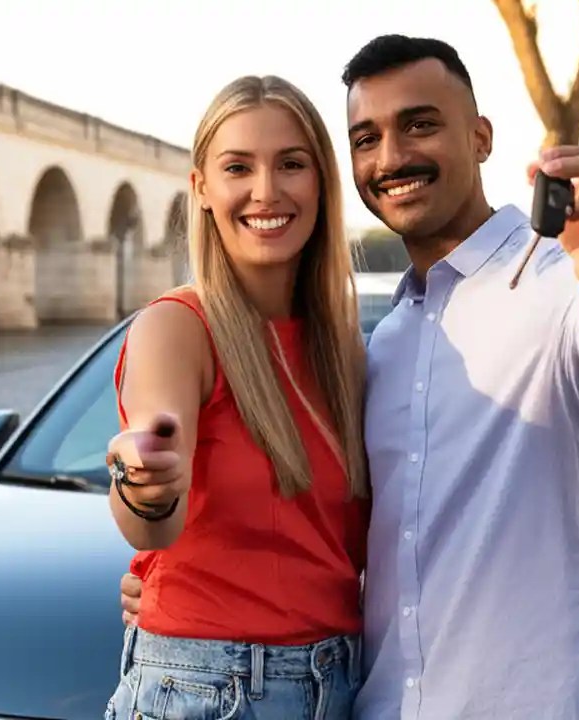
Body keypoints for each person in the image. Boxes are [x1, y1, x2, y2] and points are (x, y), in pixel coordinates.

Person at [119, 35, 579, 720]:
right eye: (366, 138)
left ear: (480, 137)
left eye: (419, 124)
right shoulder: (377, 348)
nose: (391, 157)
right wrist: (162, 553)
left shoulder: (557, 284)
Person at [102, 74, 371, 720]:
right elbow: (152, 519)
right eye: (237, 168)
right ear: (201, 189)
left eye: (291, 165)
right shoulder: (177, 328)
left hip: (339, 684)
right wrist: (143, 481)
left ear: (322, 183)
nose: (266, 191)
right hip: (208, 690)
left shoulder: (344, 349)